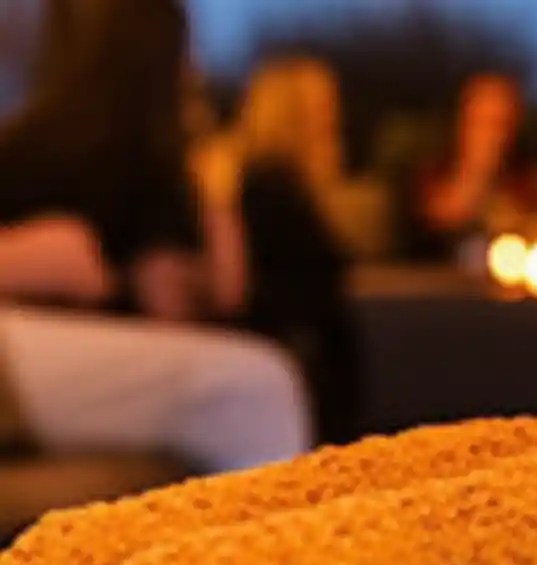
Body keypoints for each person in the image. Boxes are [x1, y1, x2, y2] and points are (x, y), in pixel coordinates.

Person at [0, 0, 310, 473]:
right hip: (42, 330)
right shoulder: (131, 155)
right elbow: (175, 299)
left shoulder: (34, 143)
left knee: (254, 382)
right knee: (254, 385)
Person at [216, 56, 358, 443]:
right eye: (320, 108)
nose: (331, 120)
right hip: (300, 368)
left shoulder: (284, 189)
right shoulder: (273, 192)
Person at [407, 73, 534, 259]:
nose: (491, 135)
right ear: (462, 120)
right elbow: (438, 220)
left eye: (500, 123)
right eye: (481, 122)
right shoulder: (429, 173)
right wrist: (477, 171)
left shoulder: (523, 180)